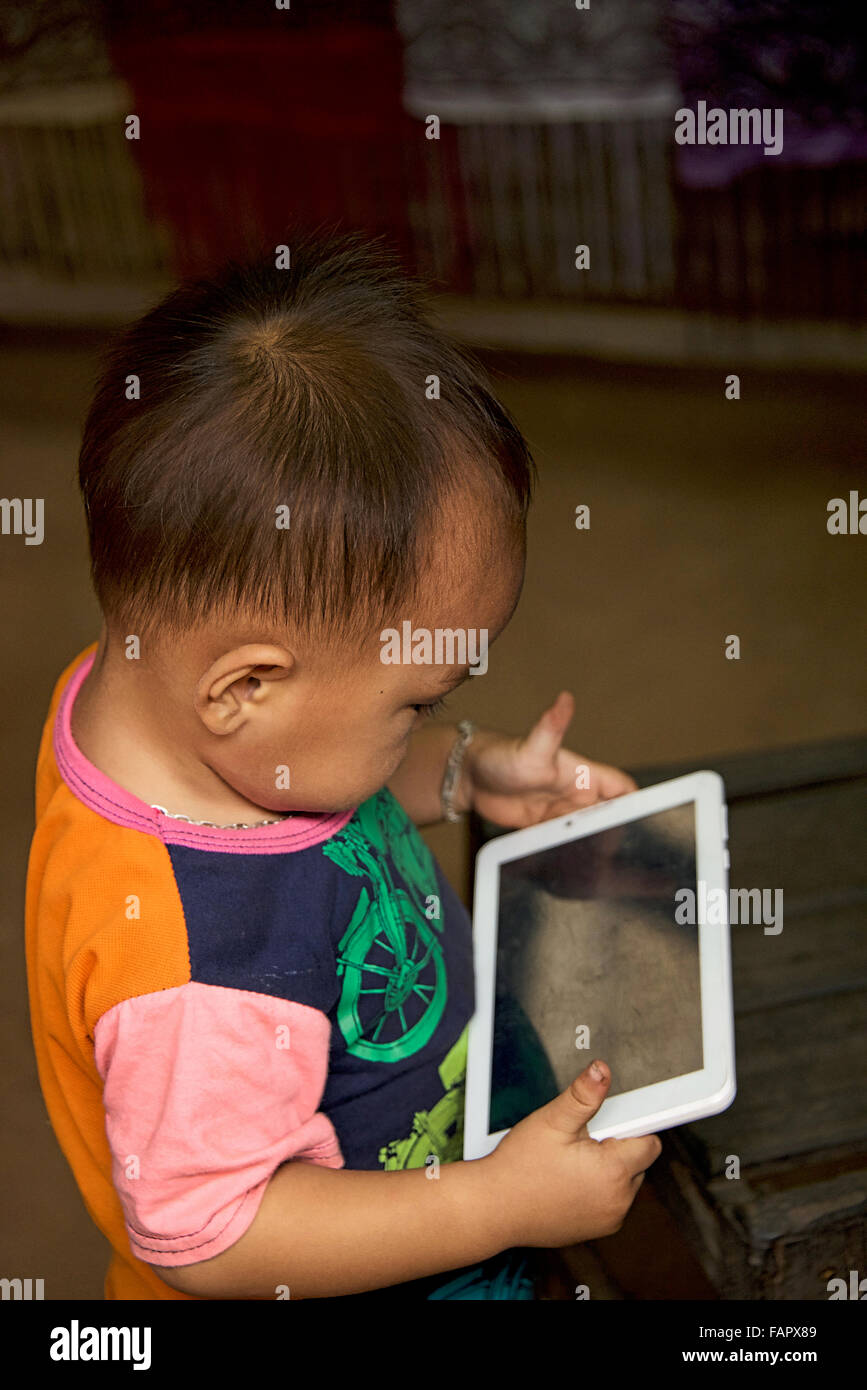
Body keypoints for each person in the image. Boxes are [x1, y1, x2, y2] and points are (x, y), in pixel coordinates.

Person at [25, 230, 661, 1301]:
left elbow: (307, 773)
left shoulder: (149, 690)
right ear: (242, 689)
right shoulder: (193, 975)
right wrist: (497, 1203)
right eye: (416, 706)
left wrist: (461, 773)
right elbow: (212, 1237)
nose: (429, 720)